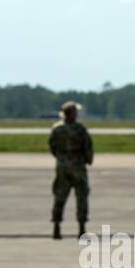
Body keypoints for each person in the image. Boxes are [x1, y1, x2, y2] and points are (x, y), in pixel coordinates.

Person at [48, 101, 92, 239]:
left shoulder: (56, 128)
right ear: (72, 114)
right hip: (78, 166)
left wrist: (62, 159)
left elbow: (52, 146)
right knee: (81, 197)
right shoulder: (80, 129)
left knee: (60, 197)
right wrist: (87, 160)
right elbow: (88, 147)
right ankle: (82, 229)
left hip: (62, 167)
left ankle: (56, 227)